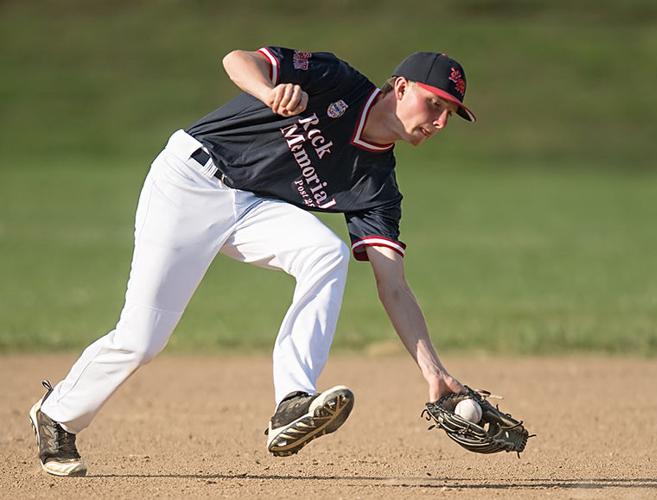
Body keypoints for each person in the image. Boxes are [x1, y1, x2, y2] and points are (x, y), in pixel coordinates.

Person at [29, 47, 477, 476]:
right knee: (142, 339)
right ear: (400, 87)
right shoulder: (336, 81)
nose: (438, 122)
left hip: (250, 207)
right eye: (433, 103)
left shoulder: (377, 186)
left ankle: (293, 400)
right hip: (188, 181)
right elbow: (236, 60)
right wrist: (268, 92)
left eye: (449, 114)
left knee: (326, 253)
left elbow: (393, 286)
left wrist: (434, 373)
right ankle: (57, 414)